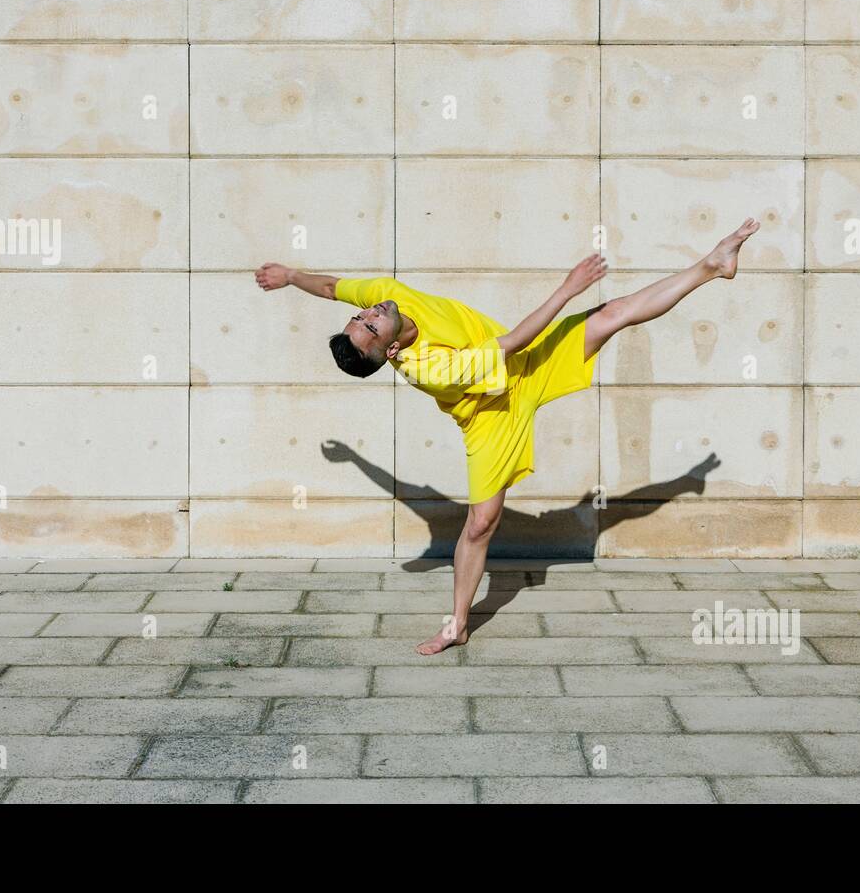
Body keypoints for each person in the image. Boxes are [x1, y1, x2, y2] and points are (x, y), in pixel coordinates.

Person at [255, 217, 760, 654]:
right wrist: (567, 289)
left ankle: (711, 266)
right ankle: (457, 625)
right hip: (492, 415)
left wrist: (291, 275)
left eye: (360, 318)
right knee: (480, 524)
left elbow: (329, 287)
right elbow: (512, 339)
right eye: (370, 328)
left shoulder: (382, 297)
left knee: (614, 314)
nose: (369, 316)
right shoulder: (427, 367)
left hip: (526, 367)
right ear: (387, 353)